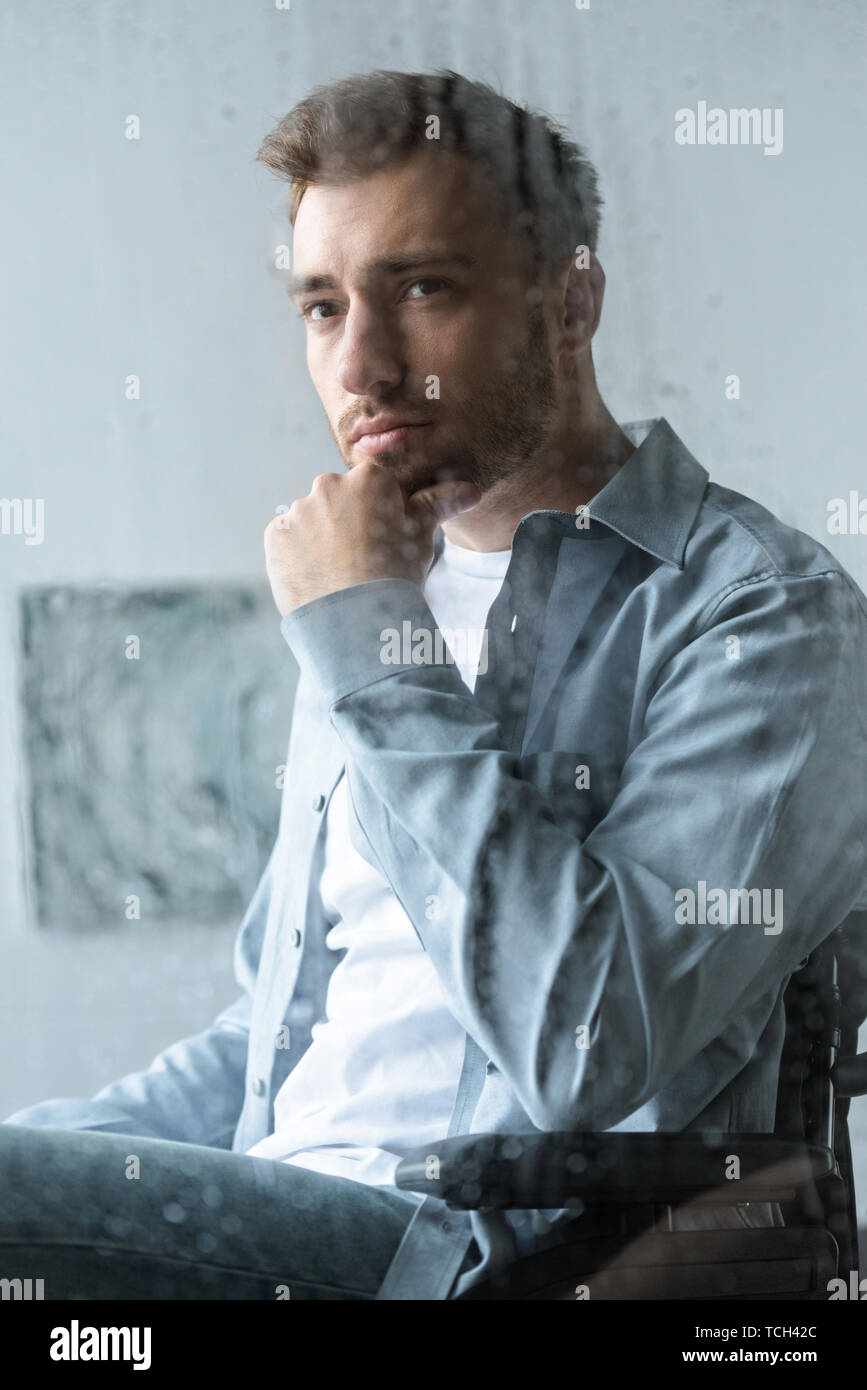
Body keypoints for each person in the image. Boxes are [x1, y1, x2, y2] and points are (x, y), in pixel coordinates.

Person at [3, 69, 866, 1301]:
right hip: (275, 1212)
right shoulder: (366, 593)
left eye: (419, 288)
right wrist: (48, 1161)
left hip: (467, 1253)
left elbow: (589, 1043)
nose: (361, 363)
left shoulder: (758, 611)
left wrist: (365, 641)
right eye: (320, 305)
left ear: (571, 301)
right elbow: (269, 1047)